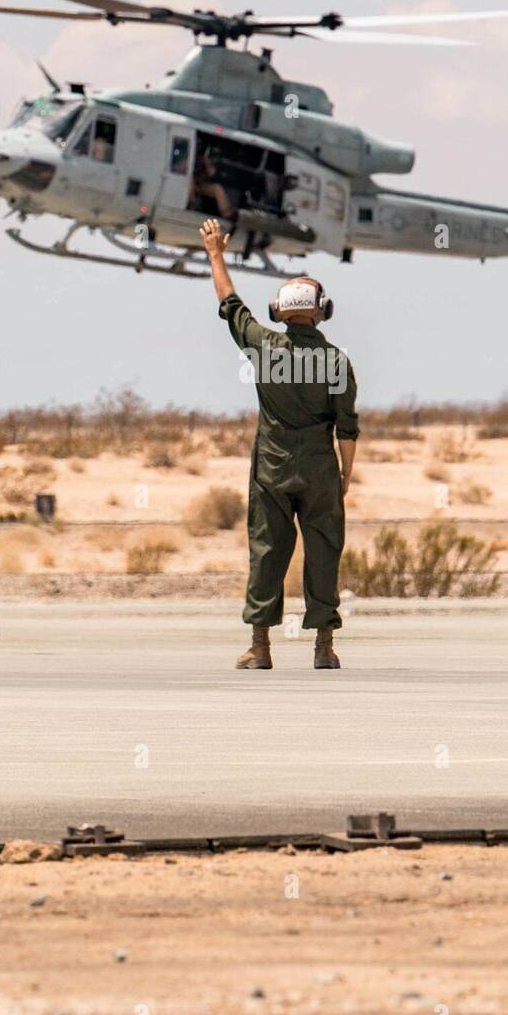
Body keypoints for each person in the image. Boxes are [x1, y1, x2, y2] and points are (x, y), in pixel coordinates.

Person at [201, 216, 358, 670]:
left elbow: (230, 304)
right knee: (324, 551)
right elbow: (347, 425)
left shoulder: (264, 347)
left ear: (279, 312)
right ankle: (324, 648)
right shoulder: (336, 362)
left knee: (267, 552)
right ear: (321, 309)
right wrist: (345, 472)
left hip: (271, 469)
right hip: (319, 471)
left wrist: (216, 252)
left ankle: (260, 647)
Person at [192, 147, 238, 220]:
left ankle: (229, 213)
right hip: (195, 185)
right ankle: (227, 214)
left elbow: (214, 175)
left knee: (218, 188)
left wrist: (207, 162)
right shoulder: (193, 158)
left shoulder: (214, 164)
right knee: (216, 188)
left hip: (203, 185)